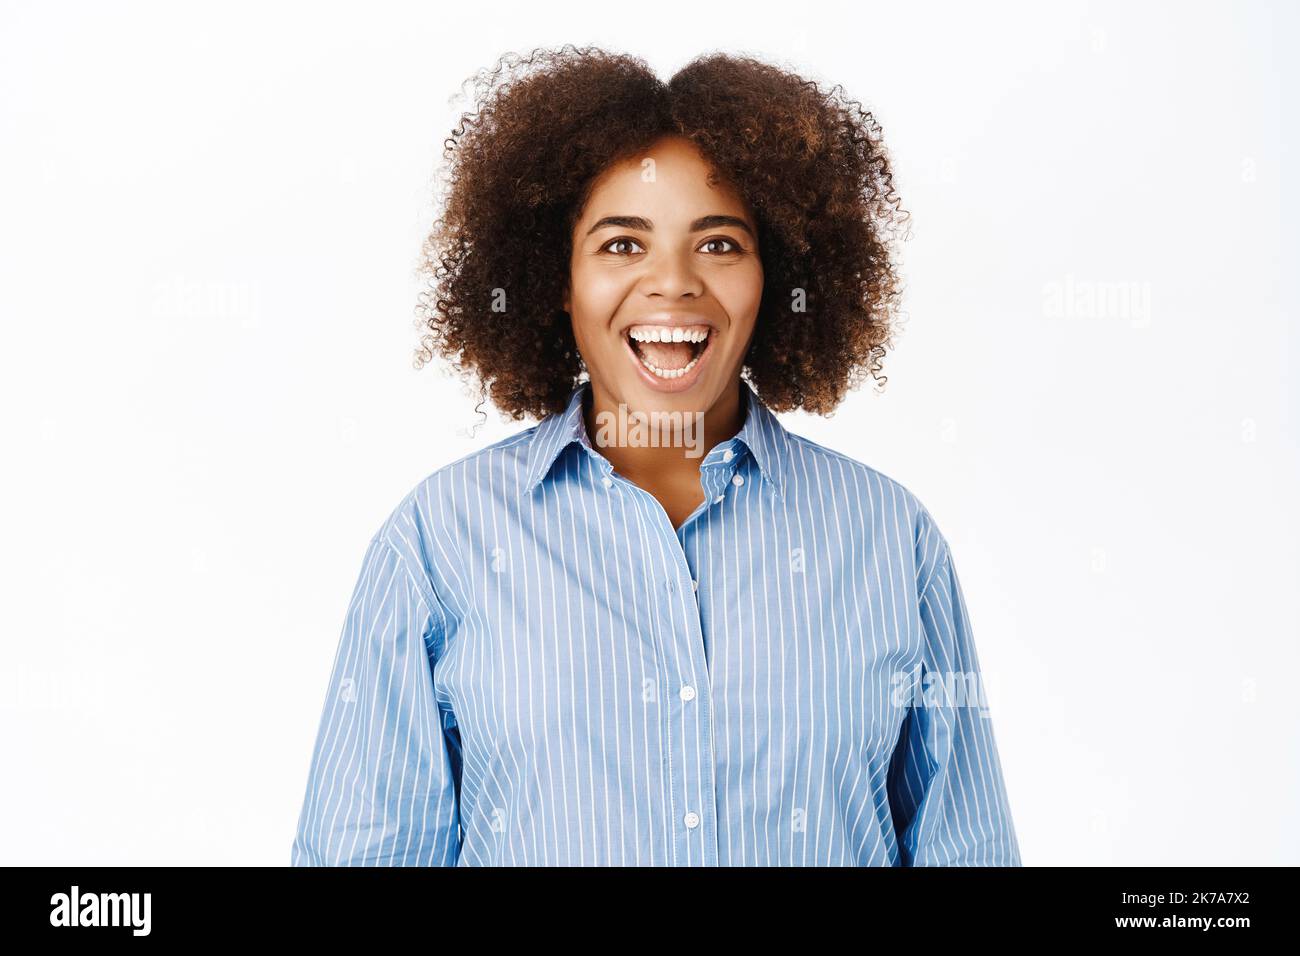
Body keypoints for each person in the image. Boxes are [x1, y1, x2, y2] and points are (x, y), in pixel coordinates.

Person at [290, 46, 1022, 866]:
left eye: (718, 245)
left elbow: (968, 848)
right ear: (555, 279)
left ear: (773, 276)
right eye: (620, 245)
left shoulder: (890, 539)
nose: (672, 283)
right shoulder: (438, 541)